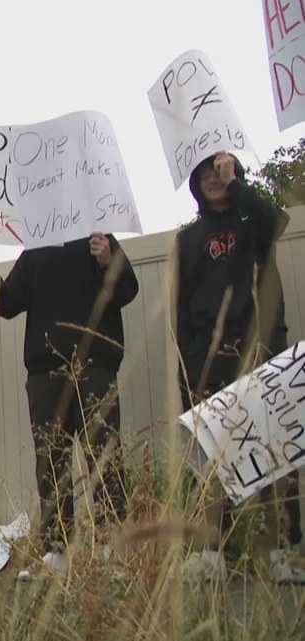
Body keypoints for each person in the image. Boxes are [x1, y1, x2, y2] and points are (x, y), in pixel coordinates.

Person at [172, 151, 304, 583]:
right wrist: (187, 368)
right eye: (204, 171)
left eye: (219, 168)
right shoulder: (189, 239)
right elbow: (182, 308)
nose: (212, 177)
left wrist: (239, 186)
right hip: (209, 358)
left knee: (276, 452)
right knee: (212, 459)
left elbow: (276, 223)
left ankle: (283, 550)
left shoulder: (254, 220)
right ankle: (212, 551)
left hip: (262, 348)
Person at [0, 231, 138, 575]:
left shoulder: (99, 237)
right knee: (50, 460)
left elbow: (128, 290)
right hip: (45, 369)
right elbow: (7, 303)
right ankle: (57, 548)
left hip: (95, 364)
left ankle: (114, 547)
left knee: (103, 454)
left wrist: (107, 260)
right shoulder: (37, 247)